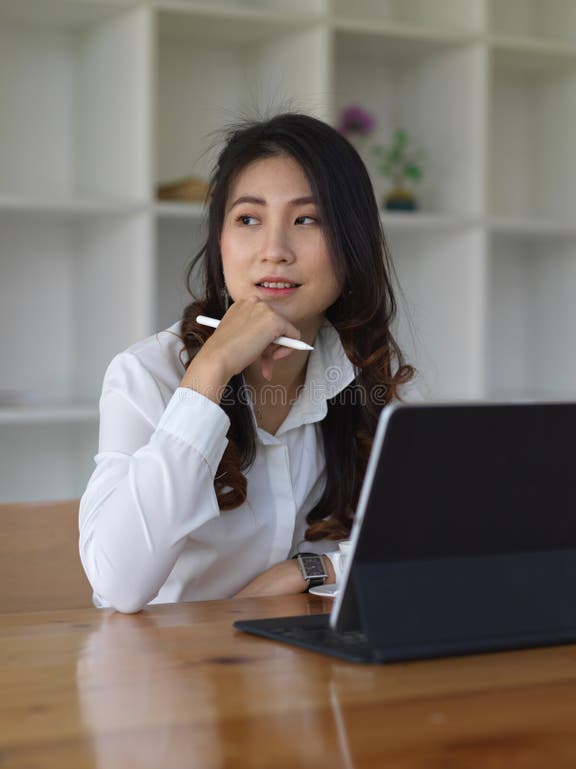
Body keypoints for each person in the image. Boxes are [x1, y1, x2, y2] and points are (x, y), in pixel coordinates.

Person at [79, 112, 420, 613]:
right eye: (248, 219)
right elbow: (118, 585)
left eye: (307, 219)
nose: (274, 251)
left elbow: (422, 550)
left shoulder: (358, 370)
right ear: (220, 243)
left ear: (351, 245)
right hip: (167, 670)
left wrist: (311, 569)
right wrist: (207, 376)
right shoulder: (145, 375)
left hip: (300, 667)